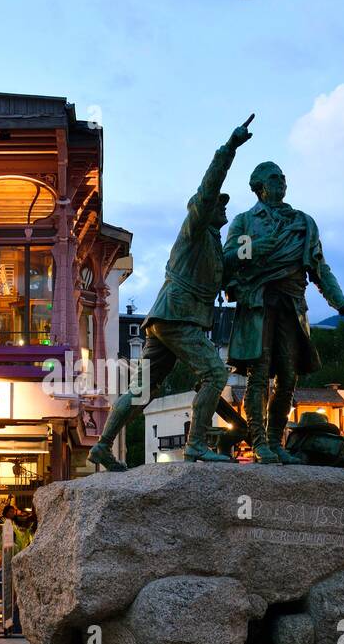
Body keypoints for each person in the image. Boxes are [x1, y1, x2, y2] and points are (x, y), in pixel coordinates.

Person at [88, 119, 256, 470]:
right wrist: (229, 148)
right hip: (178, 316)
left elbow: (227, 268)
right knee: (214, 374)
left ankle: (102, 446)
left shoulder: (210, 243)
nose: (224, 207)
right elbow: (209, 187)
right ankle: (195, 445)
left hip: (168, 320)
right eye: (219, 204)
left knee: (141, 390)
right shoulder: (194, 229)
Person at [222, 160, 344, 463]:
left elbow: (319, 267)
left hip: (291, 303)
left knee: (289, 377)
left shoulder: (302, 223)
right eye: (275, 178)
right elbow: (226, 260)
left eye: (283, 178)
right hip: (258, 302)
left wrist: (340, 302)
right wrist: (256, 247)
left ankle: (276, 441)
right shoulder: (245, 222)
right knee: (258, 374)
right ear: (259, 186)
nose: (282, 182)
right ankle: (259, 442)